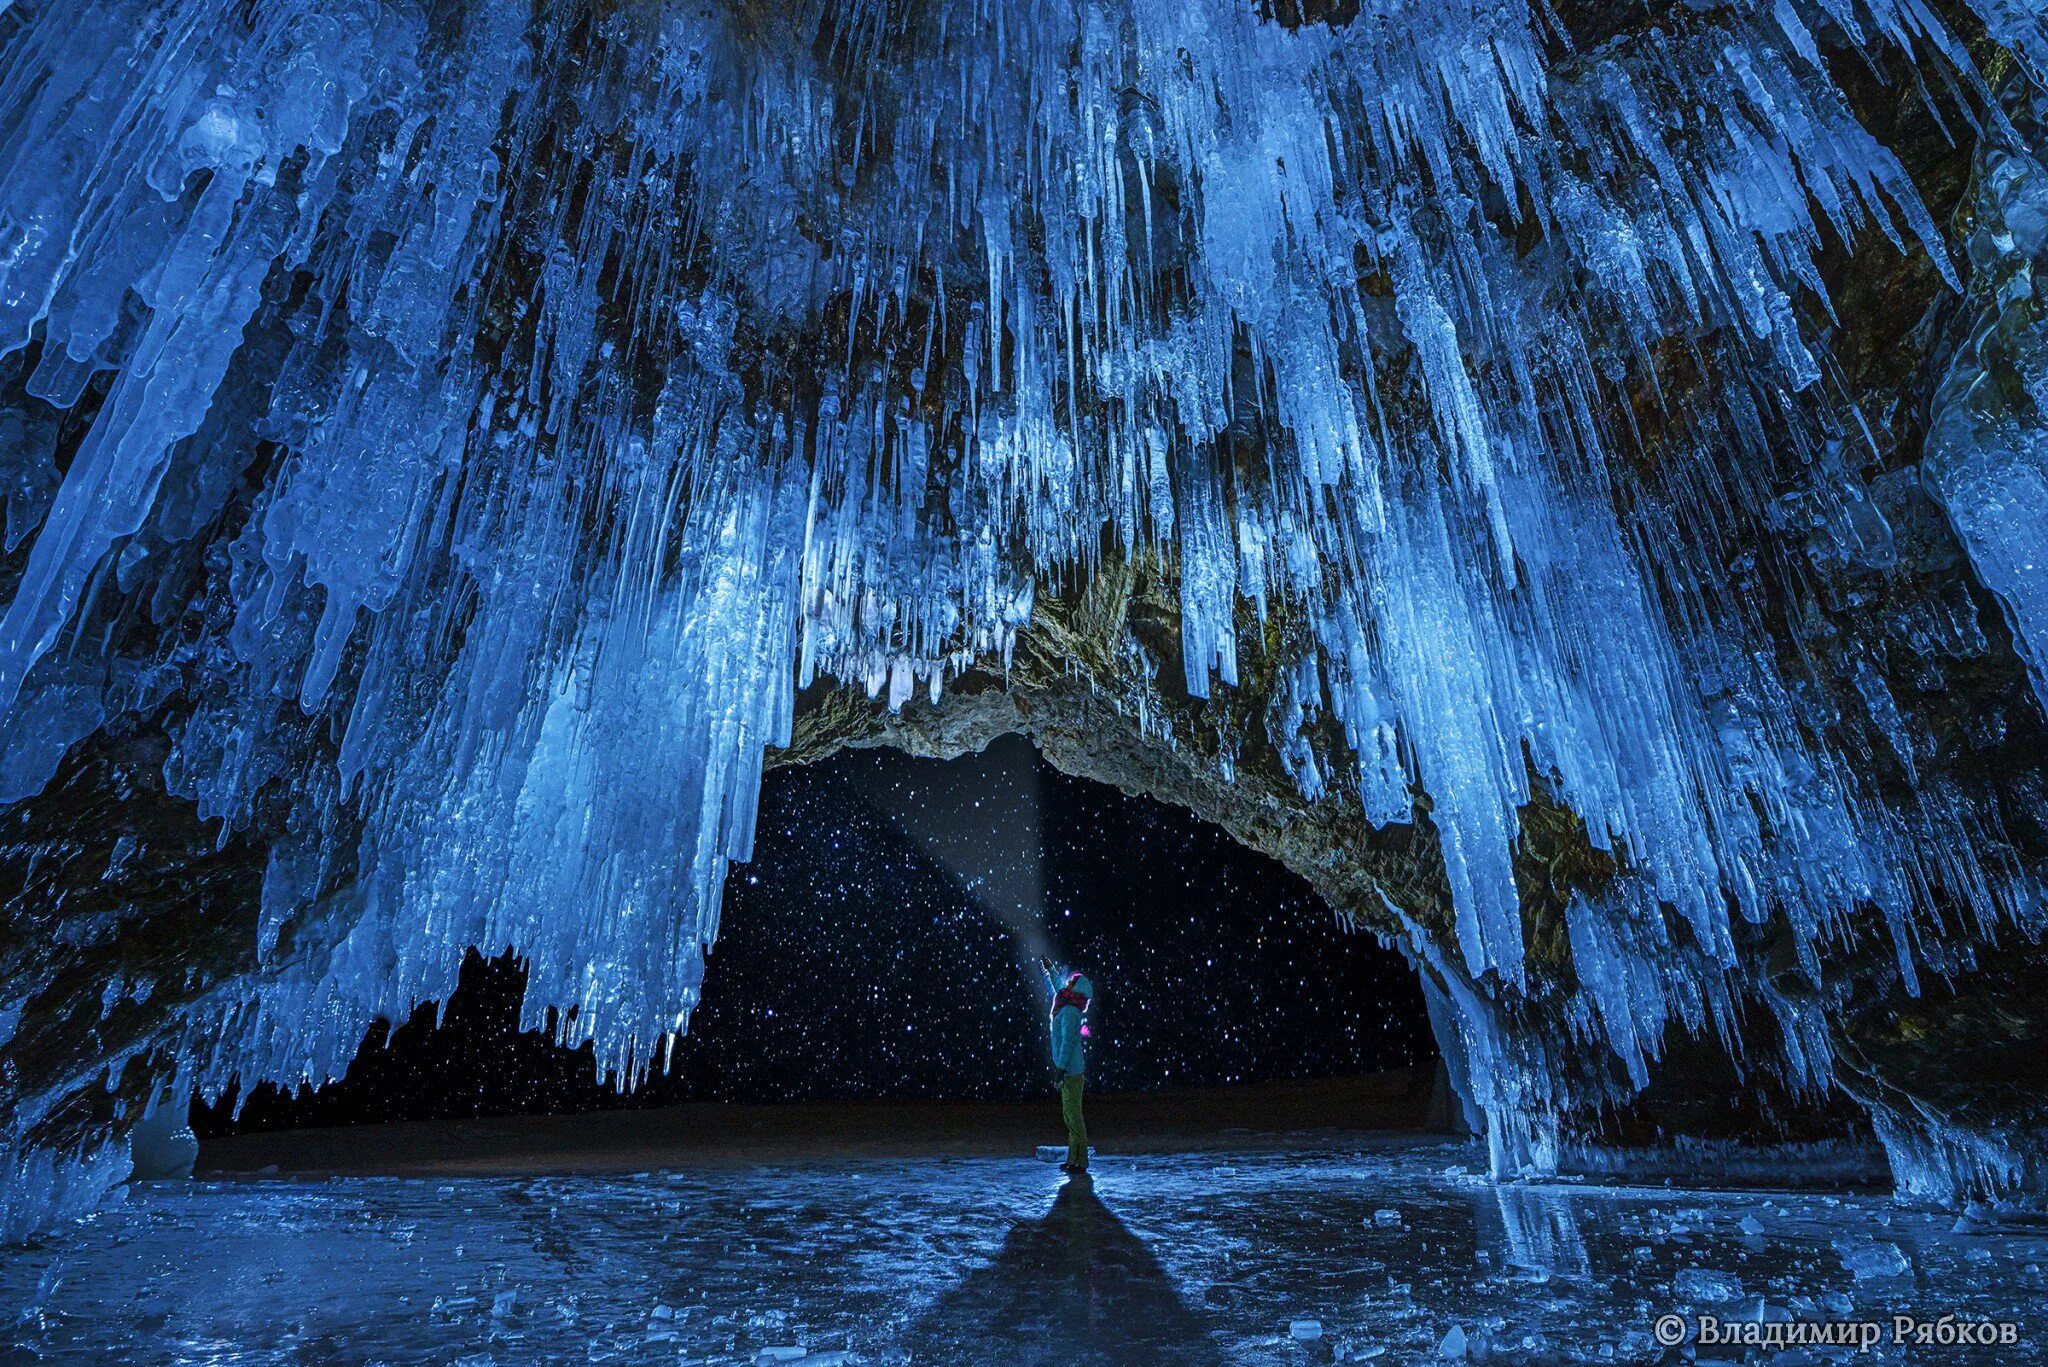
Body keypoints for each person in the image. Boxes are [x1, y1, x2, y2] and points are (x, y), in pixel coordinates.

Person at [1039, 956, 1093, 1174]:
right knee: (1069, 1116)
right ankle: (1073, 1159)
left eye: (1072, 981)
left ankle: (1081, 1161)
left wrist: (1060, 1068)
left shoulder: (1070, 1011)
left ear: (1077, 988)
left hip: (1071, 1071)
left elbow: (1067, 1043)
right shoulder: (1065, 1002)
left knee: (1074, 1117)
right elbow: (1058, 985)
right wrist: (1050, 968)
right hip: (1068, 1070)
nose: (1067, 982)